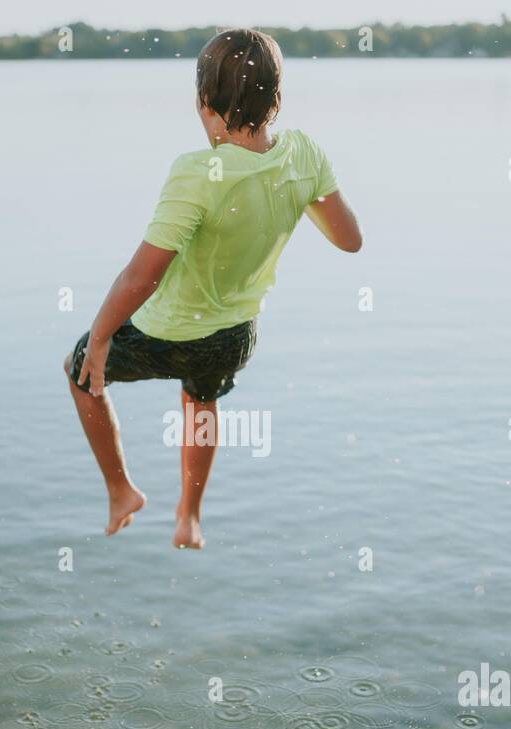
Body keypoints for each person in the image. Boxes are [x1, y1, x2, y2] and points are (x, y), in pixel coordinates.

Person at [65, 28, 363, 549]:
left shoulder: (197, 172)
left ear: (205, 102)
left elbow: (142, 275)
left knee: (80, 372)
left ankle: (120, 491)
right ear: (276, 98)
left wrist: (101, 335)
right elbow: (349, 240)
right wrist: (296, 190)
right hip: (233, 337)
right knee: (200, 400)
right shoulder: (305, 155)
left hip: (168, 332)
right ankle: (189, 515)